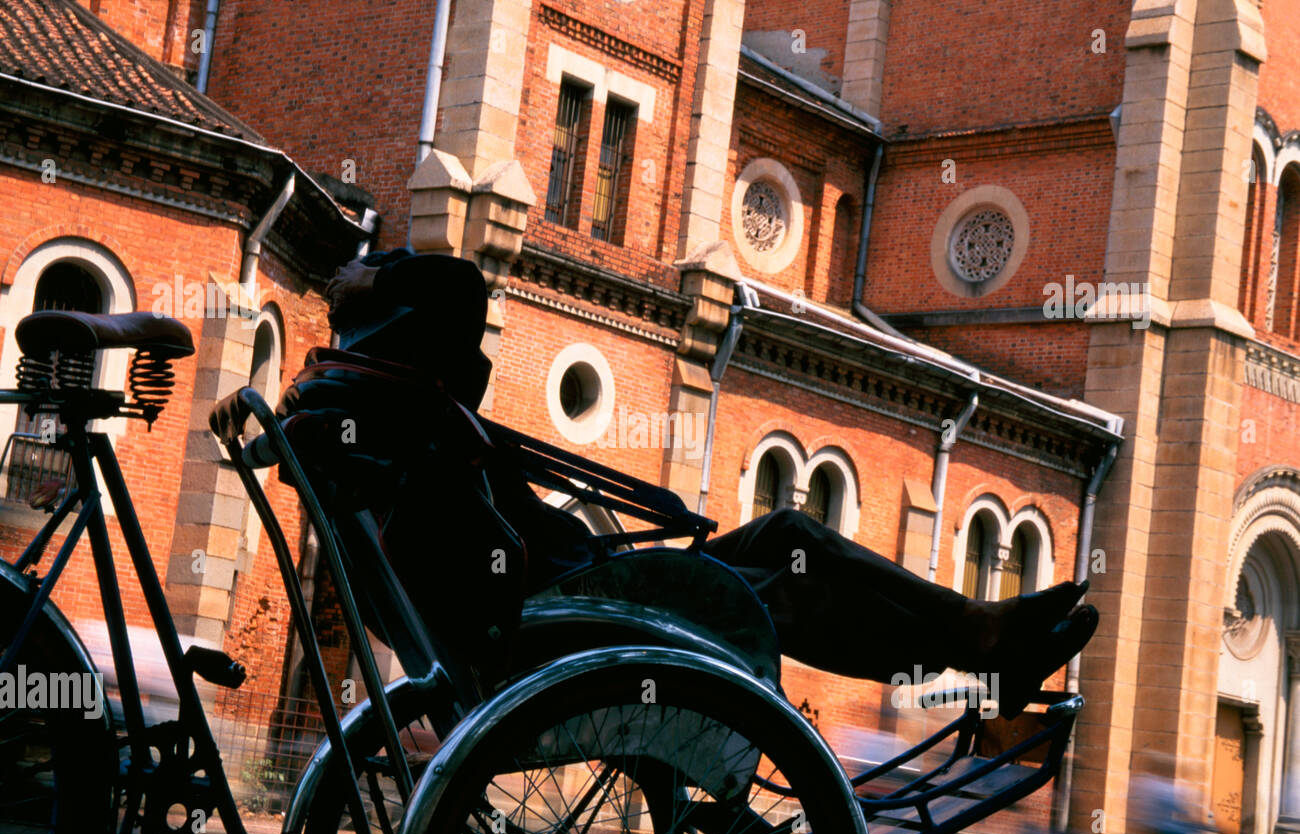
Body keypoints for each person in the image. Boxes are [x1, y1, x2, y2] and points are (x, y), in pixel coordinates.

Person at [322, 249, 1099, 718]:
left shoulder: (412, 417)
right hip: (570, 607)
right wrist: (380, 274)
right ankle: (979, 649)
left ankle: (980, 633)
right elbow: (458, 281)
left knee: (787, 533)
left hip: (582, 588)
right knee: (787, 592)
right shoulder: (423, 426)